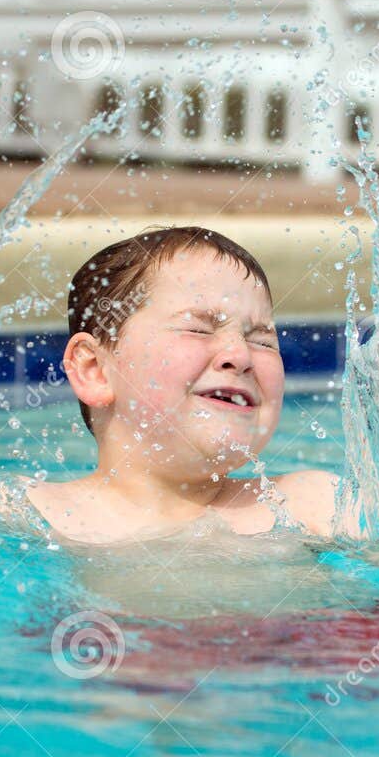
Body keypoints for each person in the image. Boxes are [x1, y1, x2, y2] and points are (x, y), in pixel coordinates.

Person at [24, 225, 346, 544]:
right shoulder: (27, 512)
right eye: (199, 330)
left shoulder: (314, 506)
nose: (240, 355)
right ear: (95, 370)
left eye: (262, 341)